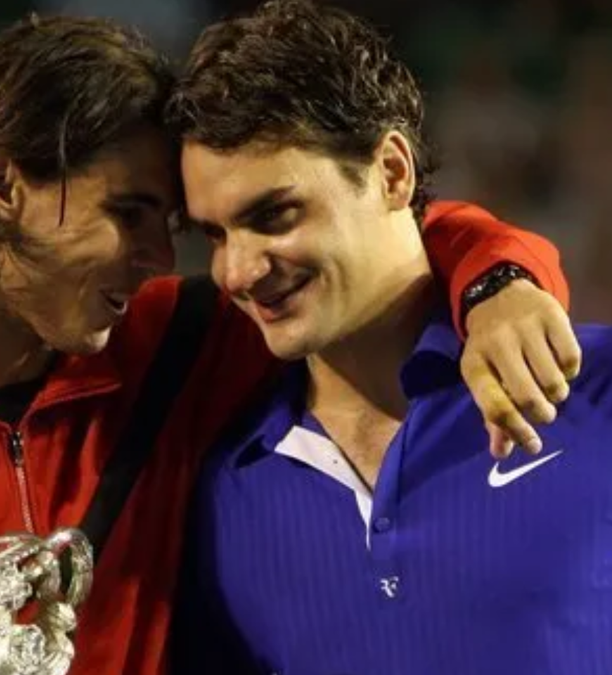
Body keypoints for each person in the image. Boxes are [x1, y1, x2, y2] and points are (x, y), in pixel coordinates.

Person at [0, 12, 577, 675]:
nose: (166, 260)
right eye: (126, 214)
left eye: (171, 226)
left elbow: (391, 250)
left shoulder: (176, 344)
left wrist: (501, 285)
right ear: (1, 184)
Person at [167, 2, 612, 674]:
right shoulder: (225, 487)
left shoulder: (597, 392)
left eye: (276, 214)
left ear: (393, 173)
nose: (237, 270)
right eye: (216, 234)